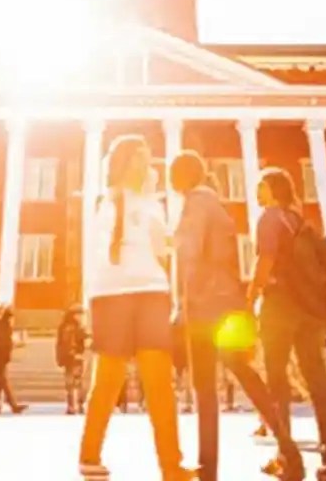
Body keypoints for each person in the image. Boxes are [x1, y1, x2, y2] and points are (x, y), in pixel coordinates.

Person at [171, 152, 305, 481]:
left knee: (205, 388)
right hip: (229, 304)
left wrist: (179, 305)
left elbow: (189, 256)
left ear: (181, 178)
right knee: (244, 373)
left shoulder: (195, 204)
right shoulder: (218, 207)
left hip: (204, 308)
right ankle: (290, 451)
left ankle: (208, 469)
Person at [77, 134, 193, 480]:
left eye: (148, 157)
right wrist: (89, 302)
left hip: (152, 291)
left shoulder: (153, 203)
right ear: (124, 163)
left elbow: (163, 246)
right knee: (108, 380)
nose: (148, 164)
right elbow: (98, 253)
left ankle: (171, 465)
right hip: (111, 296)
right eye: (140, 158)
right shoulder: (107, 201)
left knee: (159, 382)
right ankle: (89, 454)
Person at [248, 167, 326, 481]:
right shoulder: (302, 221)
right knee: (317, 380)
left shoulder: (269, 218)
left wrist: (249, 298)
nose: (256, 191)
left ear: (272, 188)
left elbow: (265, 260)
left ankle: (287, 458)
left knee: (276, 382)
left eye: (261, 185)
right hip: (310, 309)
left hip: (279, 305)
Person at [56, 305, 89, 415]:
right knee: (76, 382)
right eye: (80, 314)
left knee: (71, 383)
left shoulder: (66, 326)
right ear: (75, 315)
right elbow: (69, 343)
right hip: (74, 357)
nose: (82, 317)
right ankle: (77, 405)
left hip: (68, 358)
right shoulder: (72, 327)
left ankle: (72, 405)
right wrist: (74, 353)